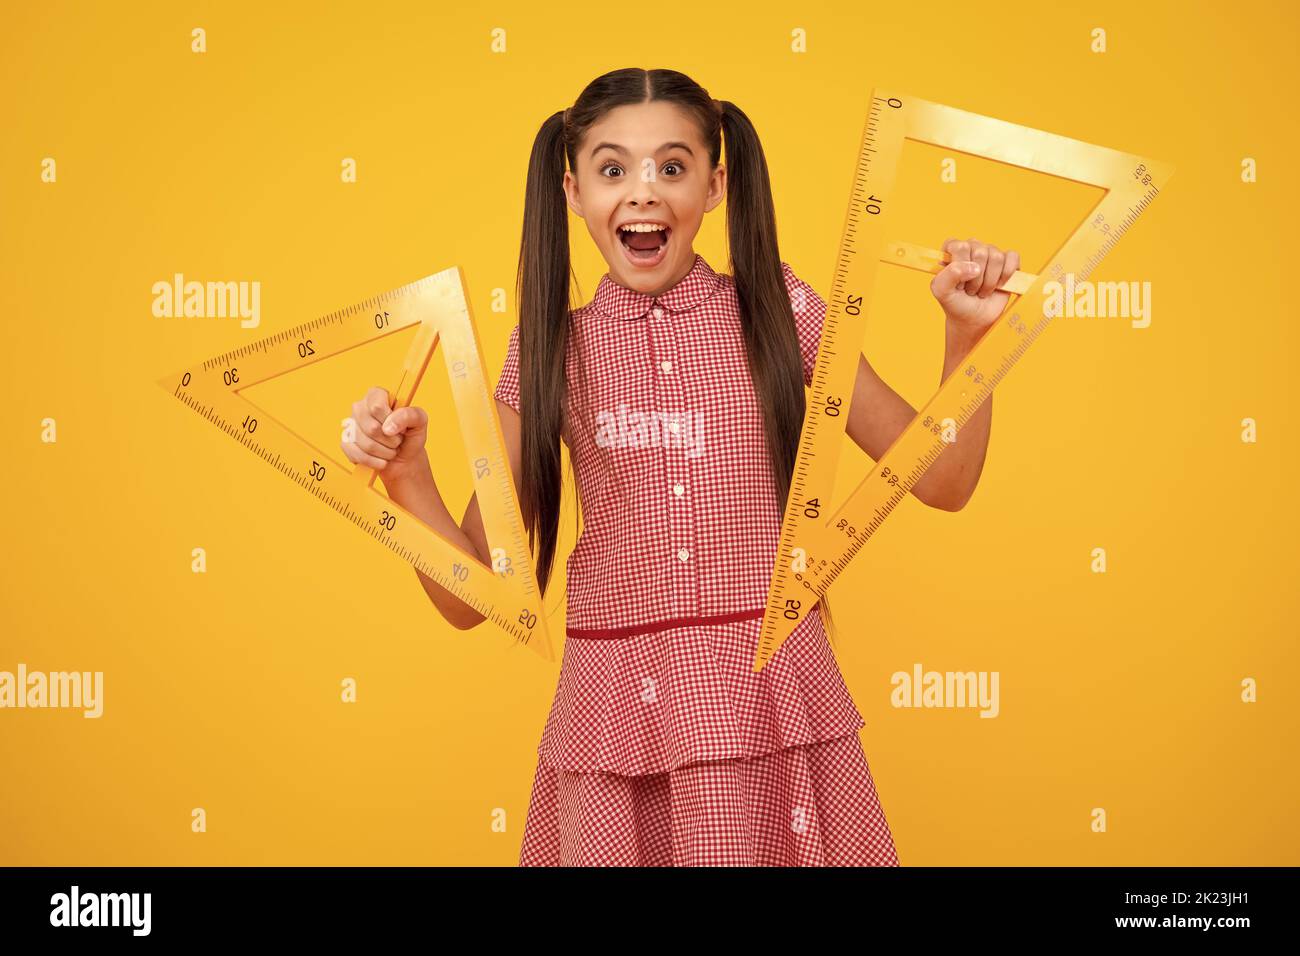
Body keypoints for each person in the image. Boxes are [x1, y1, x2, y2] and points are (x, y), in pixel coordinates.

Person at [341, 67, 1019, 866]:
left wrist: (969, 341)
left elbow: (941, 480)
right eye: (612, 168)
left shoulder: (780, 312)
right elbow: (468, 601)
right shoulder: (545, 353)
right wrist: (406, 476)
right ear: (571, 190)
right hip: (611, 714)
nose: (643, 193)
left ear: (715, 183)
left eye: (672, 166)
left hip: (764, 698)